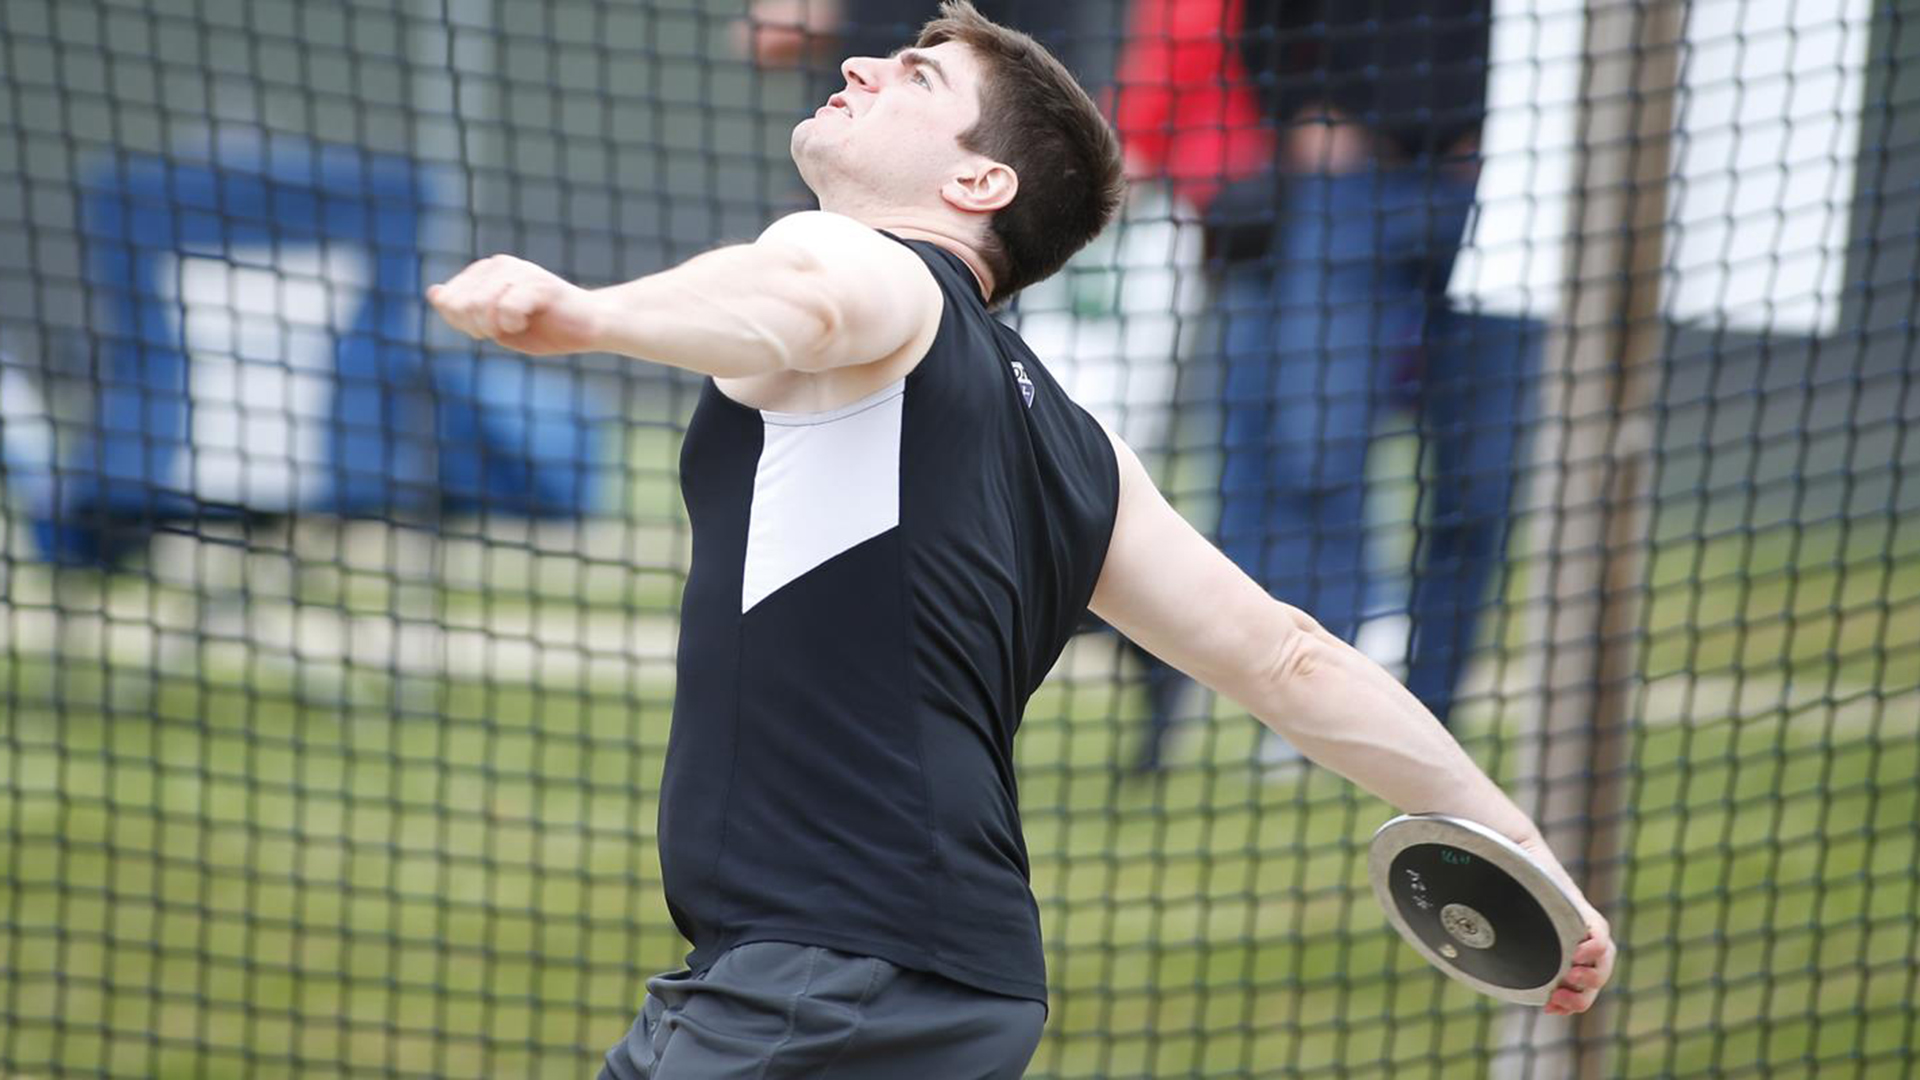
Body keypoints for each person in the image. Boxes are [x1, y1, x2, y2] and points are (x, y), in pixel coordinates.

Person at [428, 4, 1613, 1076]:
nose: (863, 63)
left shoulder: (869, 263)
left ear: (979, 181)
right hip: (934, 979)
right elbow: (1289, 658)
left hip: (829, 977)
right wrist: (1512, 835)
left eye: (917, 76)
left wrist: (590, 314)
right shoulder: (1082, 447)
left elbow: (800, 298)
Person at [1118, 0, 1537, 771]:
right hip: (1344, 185)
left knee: (1481, 482)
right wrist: (1304, 113)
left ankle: (1427, 721)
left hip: (1501, 184)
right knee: (1312, 447)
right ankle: (1324, 692)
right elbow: (1246, 27)